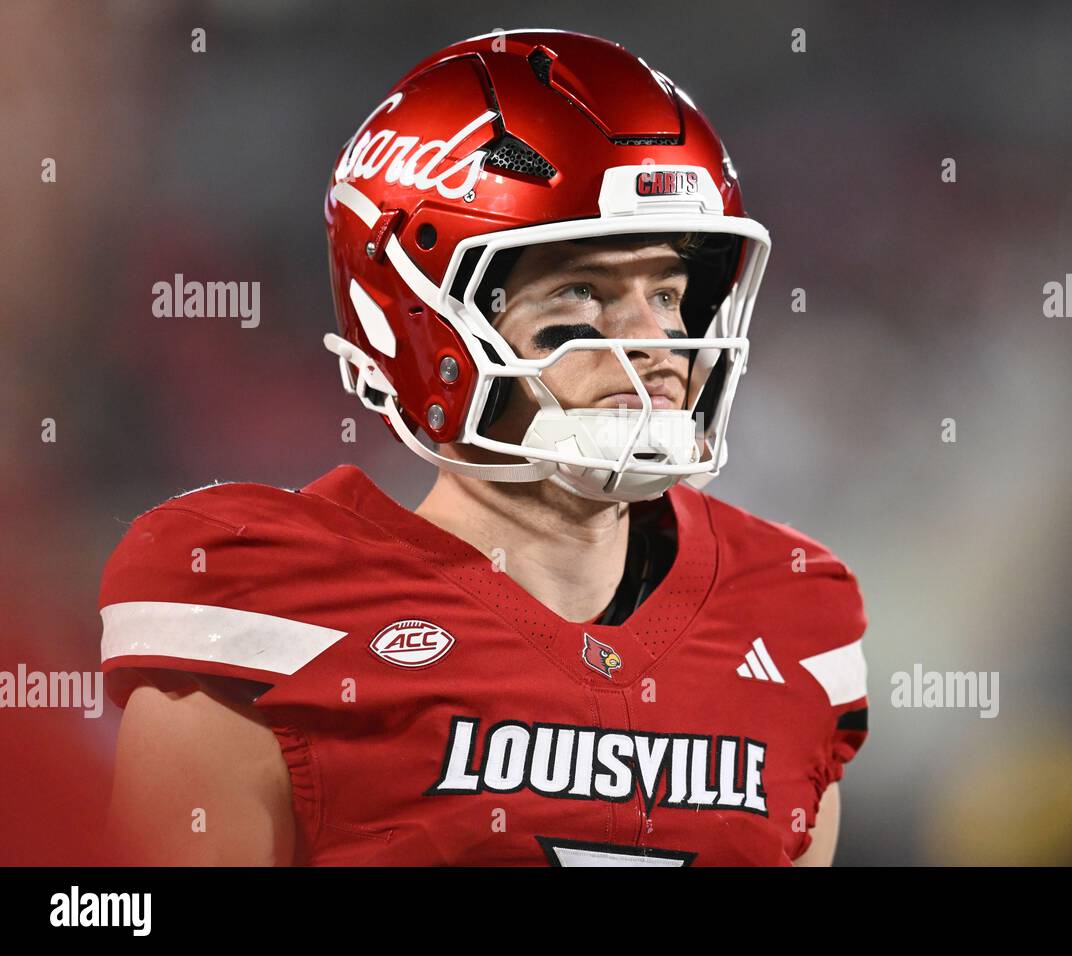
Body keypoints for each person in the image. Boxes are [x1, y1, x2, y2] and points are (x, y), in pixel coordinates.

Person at [99, 29, 868, 867]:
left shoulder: (789, 616)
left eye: (670, 293)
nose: (654, 343)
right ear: (422, 326)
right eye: (585, 289)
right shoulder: (268, 608)